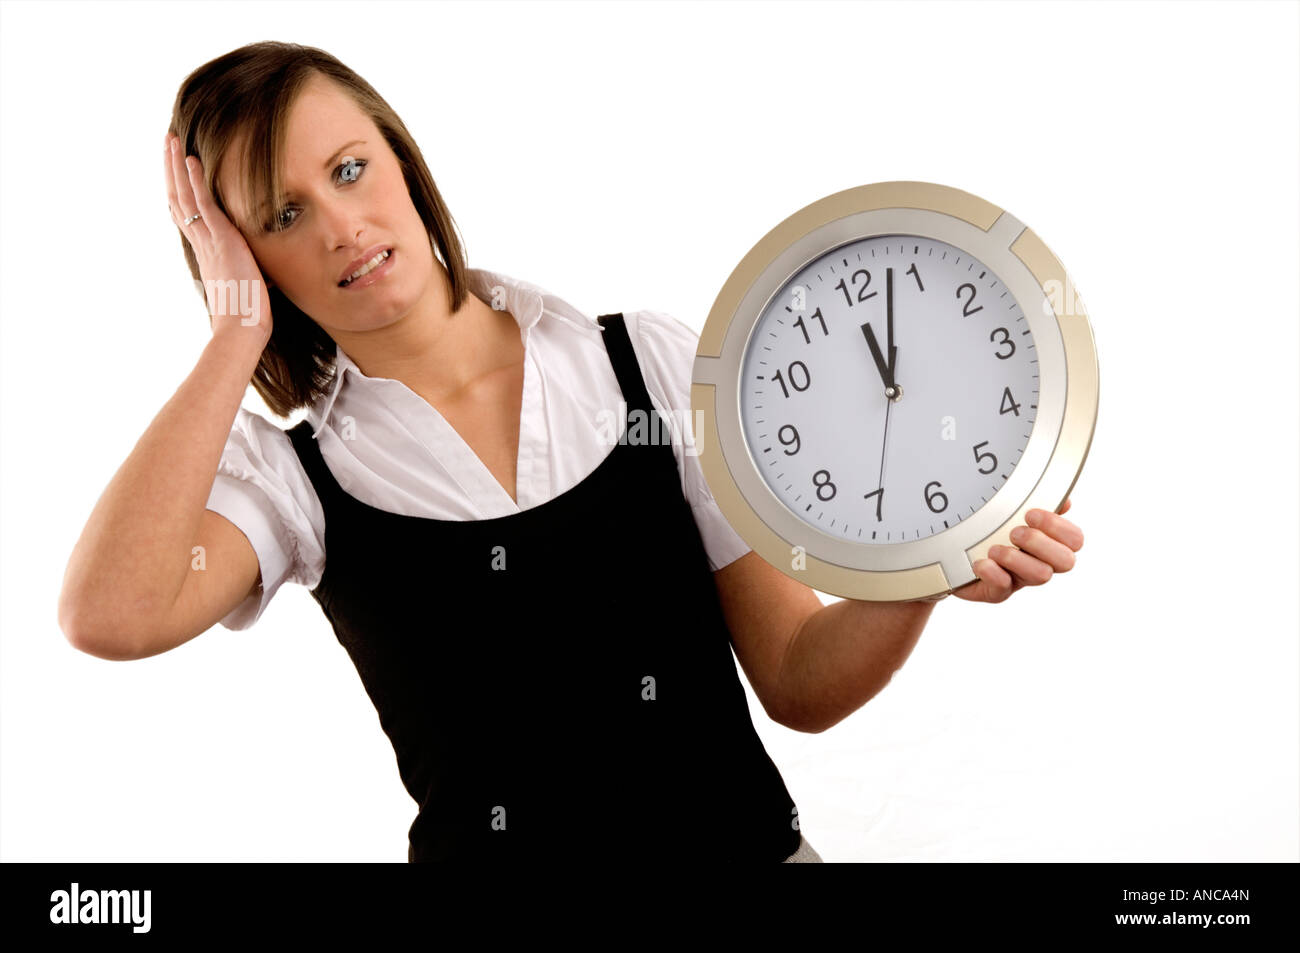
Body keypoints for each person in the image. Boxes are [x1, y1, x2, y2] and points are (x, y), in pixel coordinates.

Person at [57, 42, 1085, 863]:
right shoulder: (294, 475)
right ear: (247, 258)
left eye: (348, 169)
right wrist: (234, 336)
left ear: (401, 159)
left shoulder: (645, 361)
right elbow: (110, 613)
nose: (340, 224)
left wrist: (926, 569)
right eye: (284, 215)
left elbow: (797, 679)